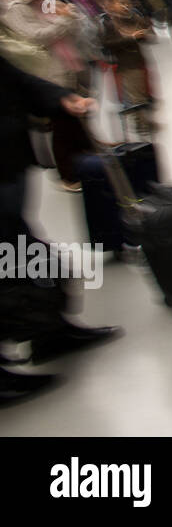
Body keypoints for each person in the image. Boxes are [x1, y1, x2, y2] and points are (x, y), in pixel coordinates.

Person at [0, 53, 120, 405]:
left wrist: (60, 98)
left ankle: (50, 332)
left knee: (25, 255)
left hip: (7, 164)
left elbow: (16, 79)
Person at [0, 0, 95, 191]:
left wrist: (67, 17)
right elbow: (38, 36)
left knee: (73, 120)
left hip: (68, 63)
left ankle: (89, 159)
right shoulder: (15, 8)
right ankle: (69, 175)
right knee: (63, 125)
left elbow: (66, 29)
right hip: (46, 70)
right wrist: (65, 19)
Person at [99, 0, 156, 138]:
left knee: (142, 91)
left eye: (125, 2)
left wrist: (143, 33)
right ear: (108, 4)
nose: (124, 5)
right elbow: (106, 43)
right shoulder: (107, 22)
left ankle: (143, 121)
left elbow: (150, 34)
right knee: (136, 95)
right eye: (120, 3)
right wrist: (131, 38)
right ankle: (141, 124)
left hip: (138, 59)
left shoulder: (132, 16)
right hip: (125, 64)